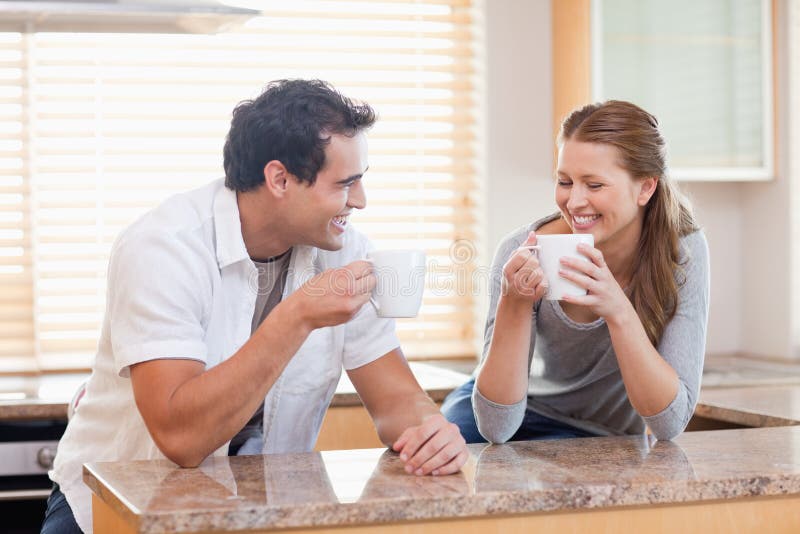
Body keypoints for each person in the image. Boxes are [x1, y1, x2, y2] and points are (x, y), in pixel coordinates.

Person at [42, 79, 468, 534]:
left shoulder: (343, 250)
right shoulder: (162, 248)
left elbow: (396, 400)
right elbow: (181, 440)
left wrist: (430, 431)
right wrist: (298, 315)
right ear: (279, 178)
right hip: (113, 508)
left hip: (259, 512)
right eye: (346, 184)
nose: (361, 201)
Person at [441, 100, 709, 444]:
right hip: (504, 414)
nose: (575, 201)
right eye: (565, 181)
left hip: (601, 434)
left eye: (594, 185)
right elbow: (495, 427)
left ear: (645, 187)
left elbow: (669, 425)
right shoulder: (521, 251)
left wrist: (618, 311)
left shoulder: (681, 252)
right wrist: (515, 304)